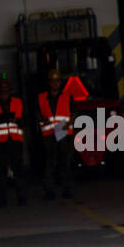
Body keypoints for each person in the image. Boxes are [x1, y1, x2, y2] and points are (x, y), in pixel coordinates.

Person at [0, 77, 27, 206]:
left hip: (15, 142)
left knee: (18, 171)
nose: (4, 92)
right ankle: (2, 200)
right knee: (1, 173)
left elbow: (25, 121)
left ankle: (22, 198)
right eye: (2, 90)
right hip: (0, 143)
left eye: (6, 90)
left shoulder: (18, 103)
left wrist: (16, 121)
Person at [35, 69, 78, 200]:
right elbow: (37, 113)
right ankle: (49, 191)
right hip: (49, 133)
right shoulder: (41, 97)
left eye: (57, 81)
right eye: (52, 81)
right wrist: (42, 118)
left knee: (65, 162)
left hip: (63, 132)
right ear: (49, 83)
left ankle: (67, 190)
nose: (55, 84)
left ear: (60, 82)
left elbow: (74, 113)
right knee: (49, 163)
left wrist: (69, 123)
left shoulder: (67, 96)